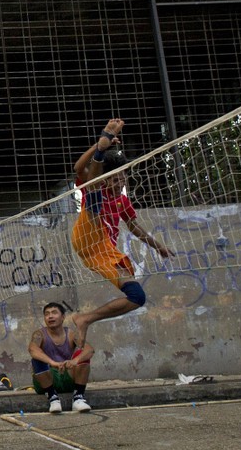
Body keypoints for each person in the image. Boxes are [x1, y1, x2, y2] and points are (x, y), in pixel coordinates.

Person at [70, 119, 172, 346]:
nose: (119, 183)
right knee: (93, 191)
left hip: (105, 251)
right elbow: (78, 168)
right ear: (108, 178)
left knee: (138, 297)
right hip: (88, 233)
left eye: (122, 179)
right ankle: (101, 150)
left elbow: (134, 227)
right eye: (115, 179)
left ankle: (85, 319)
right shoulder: (96, 187)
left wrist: (159, 247)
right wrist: (99, 147)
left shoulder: (123, 200)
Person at [28, 302, 95, 413]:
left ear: (63, 317)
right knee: (36, 359)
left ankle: (78, 397)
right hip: (47, 379)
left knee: (82, 355)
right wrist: (52, 362)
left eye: (54, 313)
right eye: (47, 314)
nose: (50, 316)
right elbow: (32, 349)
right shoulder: (39, 334)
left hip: (67, 376)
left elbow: (89, 350)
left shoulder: (71, 334)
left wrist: (74, 361)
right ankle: (52, 397)